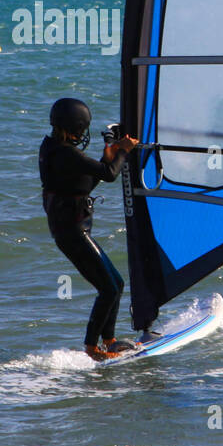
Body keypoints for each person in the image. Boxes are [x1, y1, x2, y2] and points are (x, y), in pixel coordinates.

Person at [38, 97, 139, 361]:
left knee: (115, 283)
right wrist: (124, 151)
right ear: (77, 128)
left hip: (68, 229)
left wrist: (107, 158)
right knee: (109, 287)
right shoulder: (67, 153)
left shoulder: (51, 148)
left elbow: (81, 185)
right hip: (72, 232)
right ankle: (92, 348)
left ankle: (109, 340)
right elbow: (109, 174)